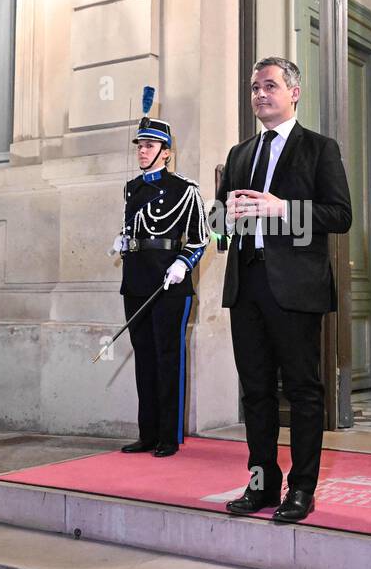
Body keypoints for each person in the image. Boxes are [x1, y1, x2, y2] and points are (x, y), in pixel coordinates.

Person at [216, 56, 352, 524]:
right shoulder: (239, 154)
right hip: (246, 284)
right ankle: (261, 483)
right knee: (255, 391)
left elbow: (340, 215)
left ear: (294, 92)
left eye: (269, 86)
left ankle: (302, 489)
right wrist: (222, 222)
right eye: (254, 87)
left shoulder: (319, 148)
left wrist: (282, 209)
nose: (259, 94)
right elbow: (217, 229)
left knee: (303, 390)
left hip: (295, 288)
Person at [109, 117, 208, 458]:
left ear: (166, 152)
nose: (142, 151)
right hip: (136, 281)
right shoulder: (131, 188)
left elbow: (200, 238)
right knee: (145, 358)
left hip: (169, 284)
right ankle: (147, 433)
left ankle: (169, 435)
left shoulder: (185, 190)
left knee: (169, 358)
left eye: (149, 146)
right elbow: (134, 228)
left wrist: (184, 263)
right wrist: (122, 241)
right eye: (139, 145)